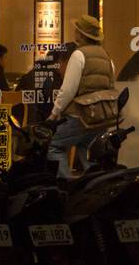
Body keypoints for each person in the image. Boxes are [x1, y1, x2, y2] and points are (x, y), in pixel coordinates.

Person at [47, 15, 117, 178]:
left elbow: (68, 89)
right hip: (101, 117)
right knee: (82, 147)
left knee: (55, 146)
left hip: (81, 115)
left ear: (81, 34)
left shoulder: (79, 55)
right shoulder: (107, 57)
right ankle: (91, 182)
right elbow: (111, 85)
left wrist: (54, 113)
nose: (74, 32)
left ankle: (67, 187)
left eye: (76, 30)